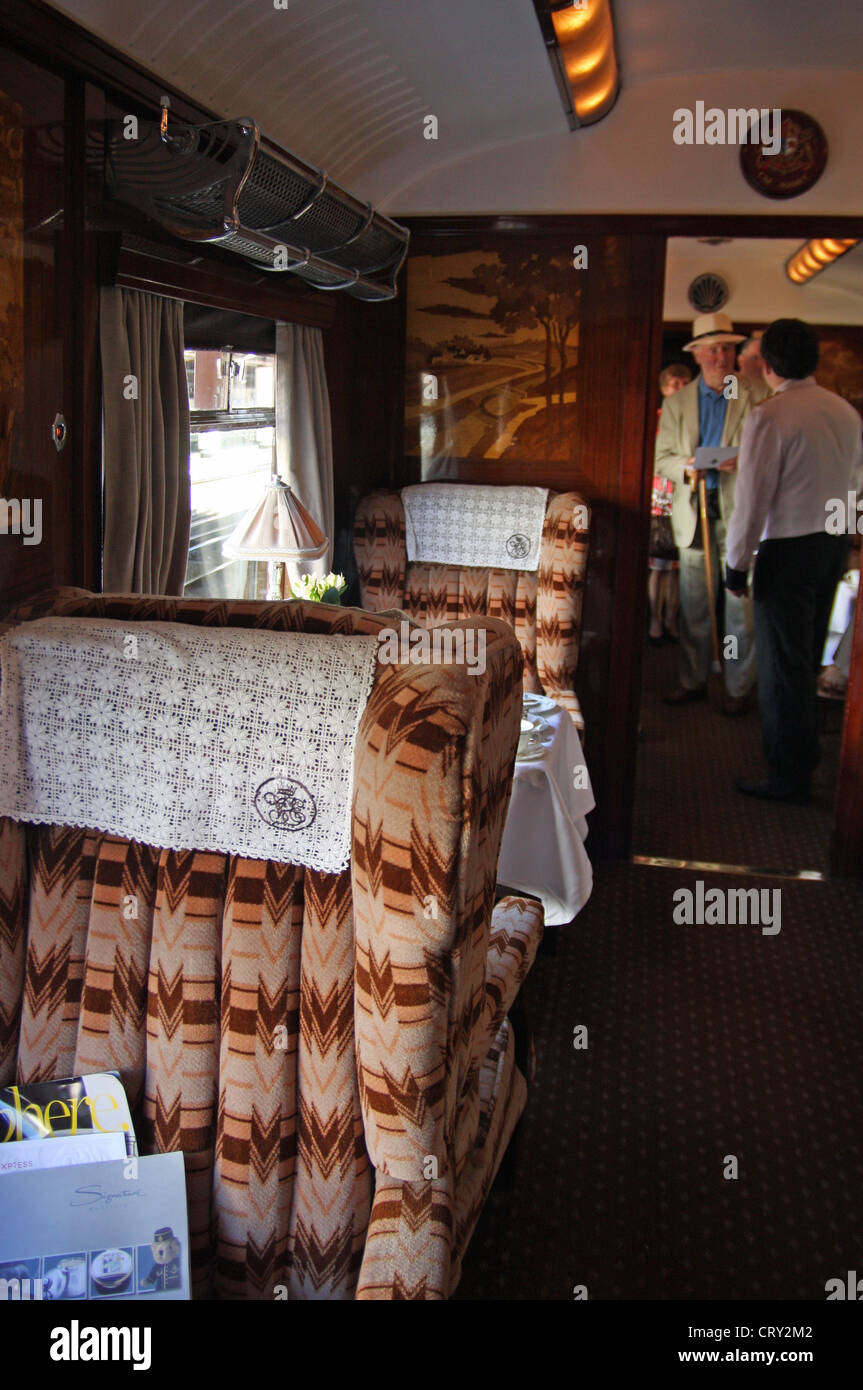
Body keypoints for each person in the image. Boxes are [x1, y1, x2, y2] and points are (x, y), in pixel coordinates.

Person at [725, 318, 863, 802]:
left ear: (767, 365)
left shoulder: (770, 415)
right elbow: (856, 485)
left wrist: (736, 565)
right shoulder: (845, 411)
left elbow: (752, 499)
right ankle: (804, 759)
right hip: (832, 546)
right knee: (805, 657)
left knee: (784, 666)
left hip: (787, 551)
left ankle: (789, 775)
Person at [655, 312, 768, 713]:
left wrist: (746, 461)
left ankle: (737, 687)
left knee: (740, 605)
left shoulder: (757, 395)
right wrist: (688, 466)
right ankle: (693, 680)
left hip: (742, 514)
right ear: (697, 354)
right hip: (694, 513)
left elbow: (773, 453)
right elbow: (661, 459)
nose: (720, 356)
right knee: (695, 605)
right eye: (712, 349)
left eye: (726, 349)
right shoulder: (678, 402)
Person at [648, 363, 691, 644]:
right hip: (658, 499)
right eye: (674, 384)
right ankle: (654, 620)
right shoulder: (656, 420)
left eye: (684, 384)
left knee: (677, 569)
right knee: (658, 565)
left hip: (685, 499)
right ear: (664, 389)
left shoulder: (693, 422)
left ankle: (672, 620)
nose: (679, 389)